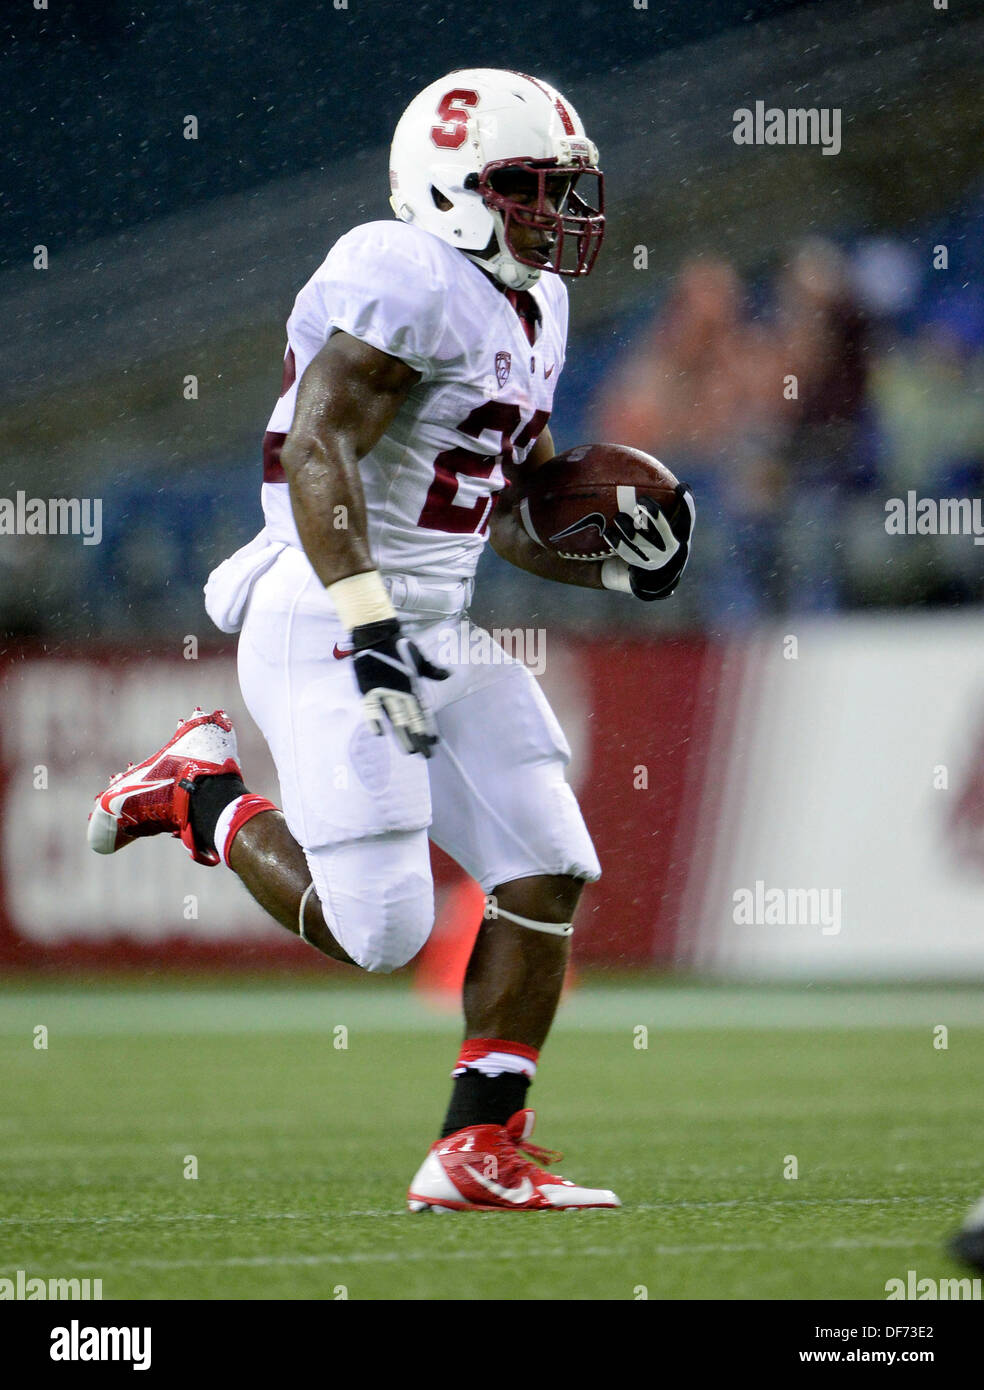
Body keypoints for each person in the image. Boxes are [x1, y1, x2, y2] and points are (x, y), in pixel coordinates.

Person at [87, 68, 694, 1211]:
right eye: (522, 188)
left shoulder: (537, 304)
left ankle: (478, 1149)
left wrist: (613, 557)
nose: (549, 213)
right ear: (451, 188)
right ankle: (198, 793)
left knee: (547, 862)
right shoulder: (403, 272)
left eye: (559, 189)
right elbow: (317, 449)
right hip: (328, 610)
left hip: (433, 623)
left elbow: (508, 508)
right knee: (381, 930)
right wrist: (369, 624)